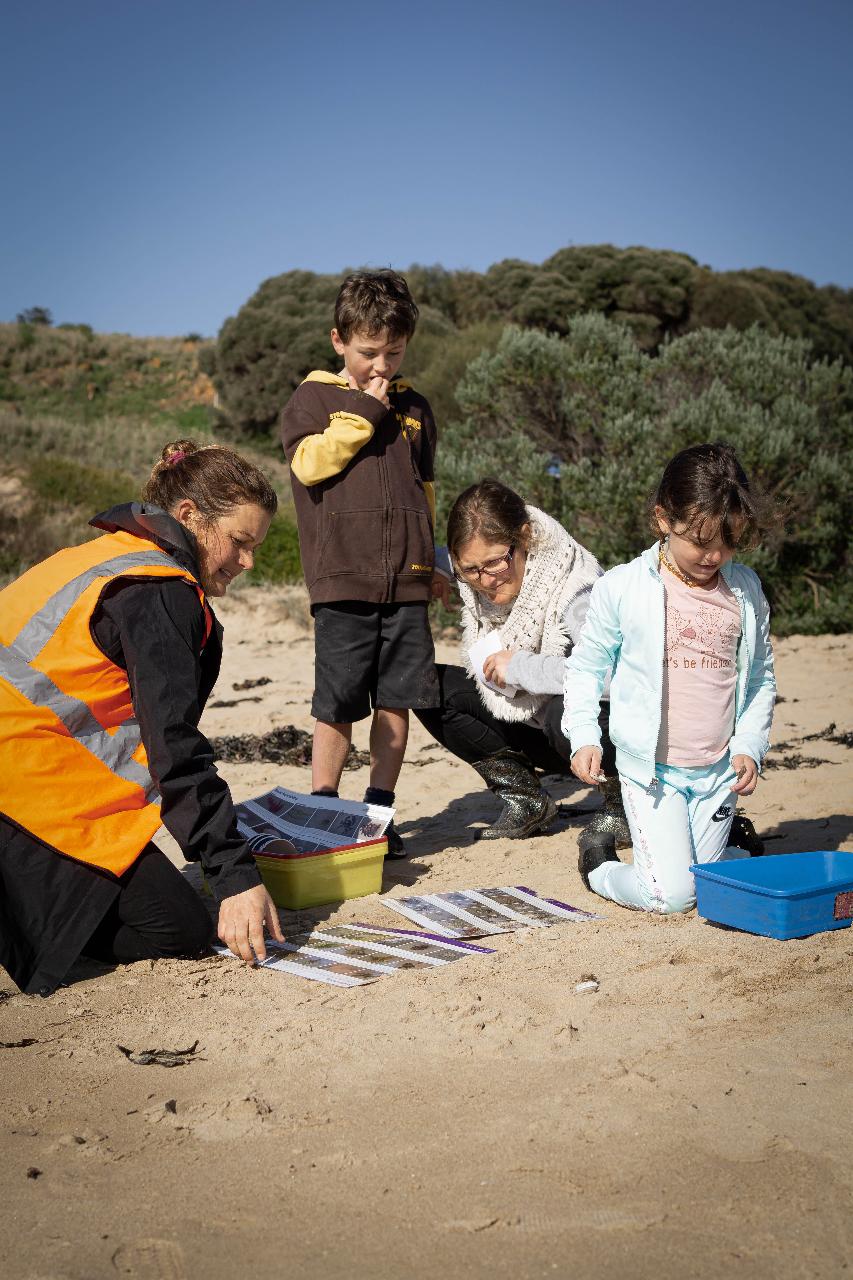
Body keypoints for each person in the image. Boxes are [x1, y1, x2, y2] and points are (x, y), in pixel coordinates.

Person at [0, 440, 287, 995]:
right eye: (240, 541)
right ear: (188, 517)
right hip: (25, 798)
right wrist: (234, 875)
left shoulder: (96, 557)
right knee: (177, 929)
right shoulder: (159, 589)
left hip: (27, 775)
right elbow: (174, 745)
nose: (248, 562)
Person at [280, 269, 449, 858]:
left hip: (406, 582)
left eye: (394, 352)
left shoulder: (416, 407)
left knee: (395, 703)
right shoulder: (314, 399)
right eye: (368, 352)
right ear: (338, 341)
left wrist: (434, 561)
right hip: (342, 581)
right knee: (337, 705)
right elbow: (309, 466)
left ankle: (378, 813)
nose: (381, 365)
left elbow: (425, 489)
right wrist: (362, 415)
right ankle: (324, 811)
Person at [565, 442, 775, 913]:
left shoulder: (744, 591)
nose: (715, 555)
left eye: (729, 542)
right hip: (653, 774)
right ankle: (600, 865)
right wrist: (583, 735)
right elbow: (586, 667)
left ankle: (722, 851)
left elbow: (760, 677)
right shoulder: (622, 587)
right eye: (701, 542)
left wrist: (749, 746)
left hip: (718, 772)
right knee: (673, 897)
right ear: (663, 519)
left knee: (712, 884)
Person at [416, 479, 630, 843]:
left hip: (589, 736)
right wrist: (436, 570)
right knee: (425, 687)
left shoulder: (577, 591)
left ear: (526, 537)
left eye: (494, 564)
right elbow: (439, 556)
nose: (483, 581)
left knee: (567, 711)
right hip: (531, 723)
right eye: (469, 570)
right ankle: (525, 799)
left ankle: (623, 804)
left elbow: (614, 678)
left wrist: (521, 668)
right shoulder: (480, 569)